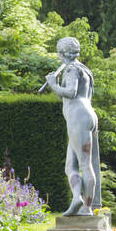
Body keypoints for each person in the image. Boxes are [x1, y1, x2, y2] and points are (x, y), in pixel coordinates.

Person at [44, 37, 101, 216]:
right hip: (88, 114)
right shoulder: (84, 69)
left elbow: (71, 92)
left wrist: (53, 84)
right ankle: (77, 198)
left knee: (85, 164)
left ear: (62, 53)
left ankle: (87, 208)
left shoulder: (71, 69)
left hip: (78, 117)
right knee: (70, 166)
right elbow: (70, 97)